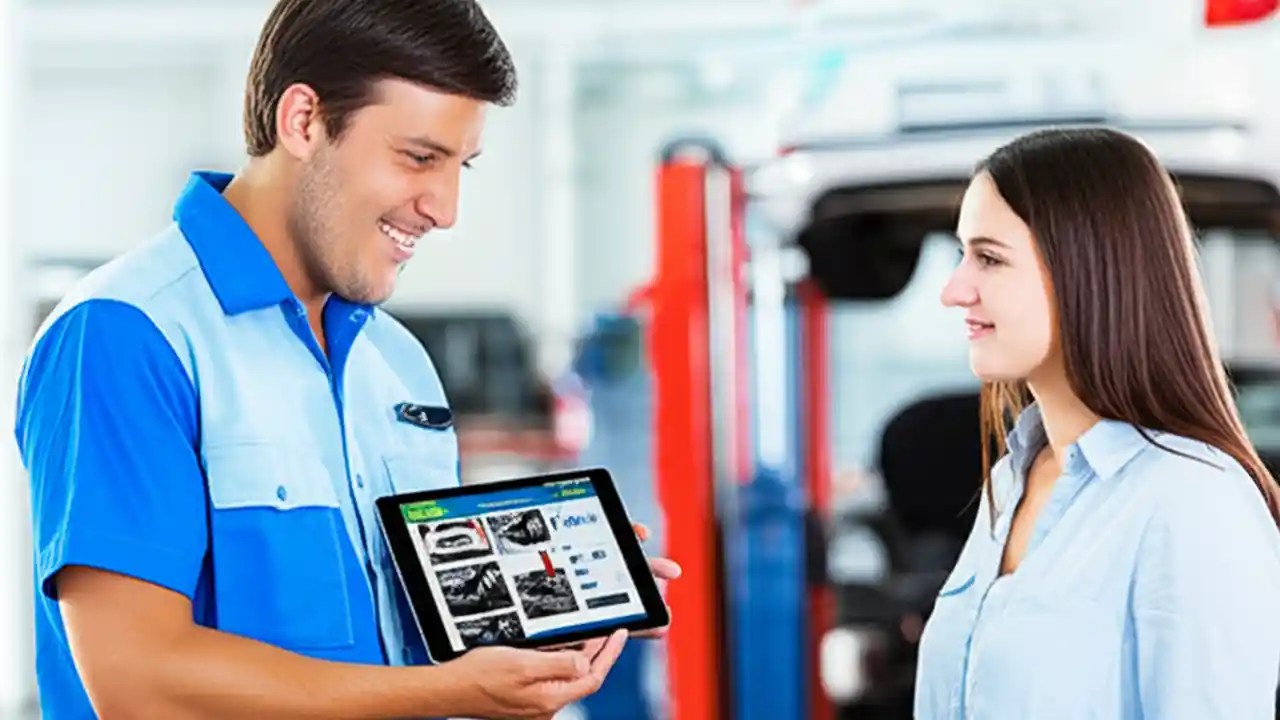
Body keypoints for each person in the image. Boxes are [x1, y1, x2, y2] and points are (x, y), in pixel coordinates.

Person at [12, 1, 680, 717]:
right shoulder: (125, 335)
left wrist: (543, 604)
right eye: (419, 157)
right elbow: (140, 684)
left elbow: (411, 651)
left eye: (462, 166)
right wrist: (446, 692)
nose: (445, 207)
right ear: (303, 121)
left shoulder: (397, 364)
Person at [916, 127, 1280, 719]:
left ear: (1084, 267)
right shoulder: (1012, 482)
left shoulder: (1190, 502)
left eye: (988, 258)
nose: (954, 290)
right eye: (963, 255)